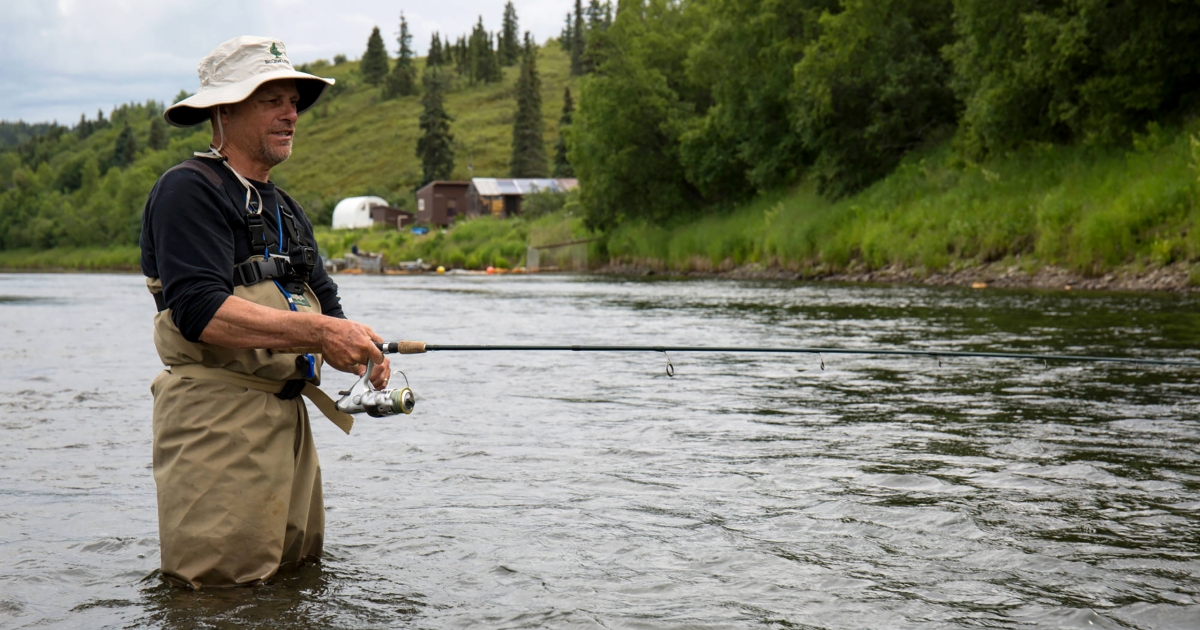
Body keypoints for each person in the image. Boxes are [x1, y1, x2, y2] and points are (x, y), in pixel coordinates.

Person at [140, 36, 390, 589]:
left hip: (288, 420)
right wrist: (324, 332)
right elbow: (200, 312)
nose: (290, 114)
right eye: (270, 100)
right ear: (222, 111)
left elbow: (326, 300)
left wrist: (359, 346)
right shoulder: (187, 191)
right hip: (216, 422)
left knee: (295, 584)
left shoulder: (288, 208)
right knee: (218, 595)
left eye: (294, 102)